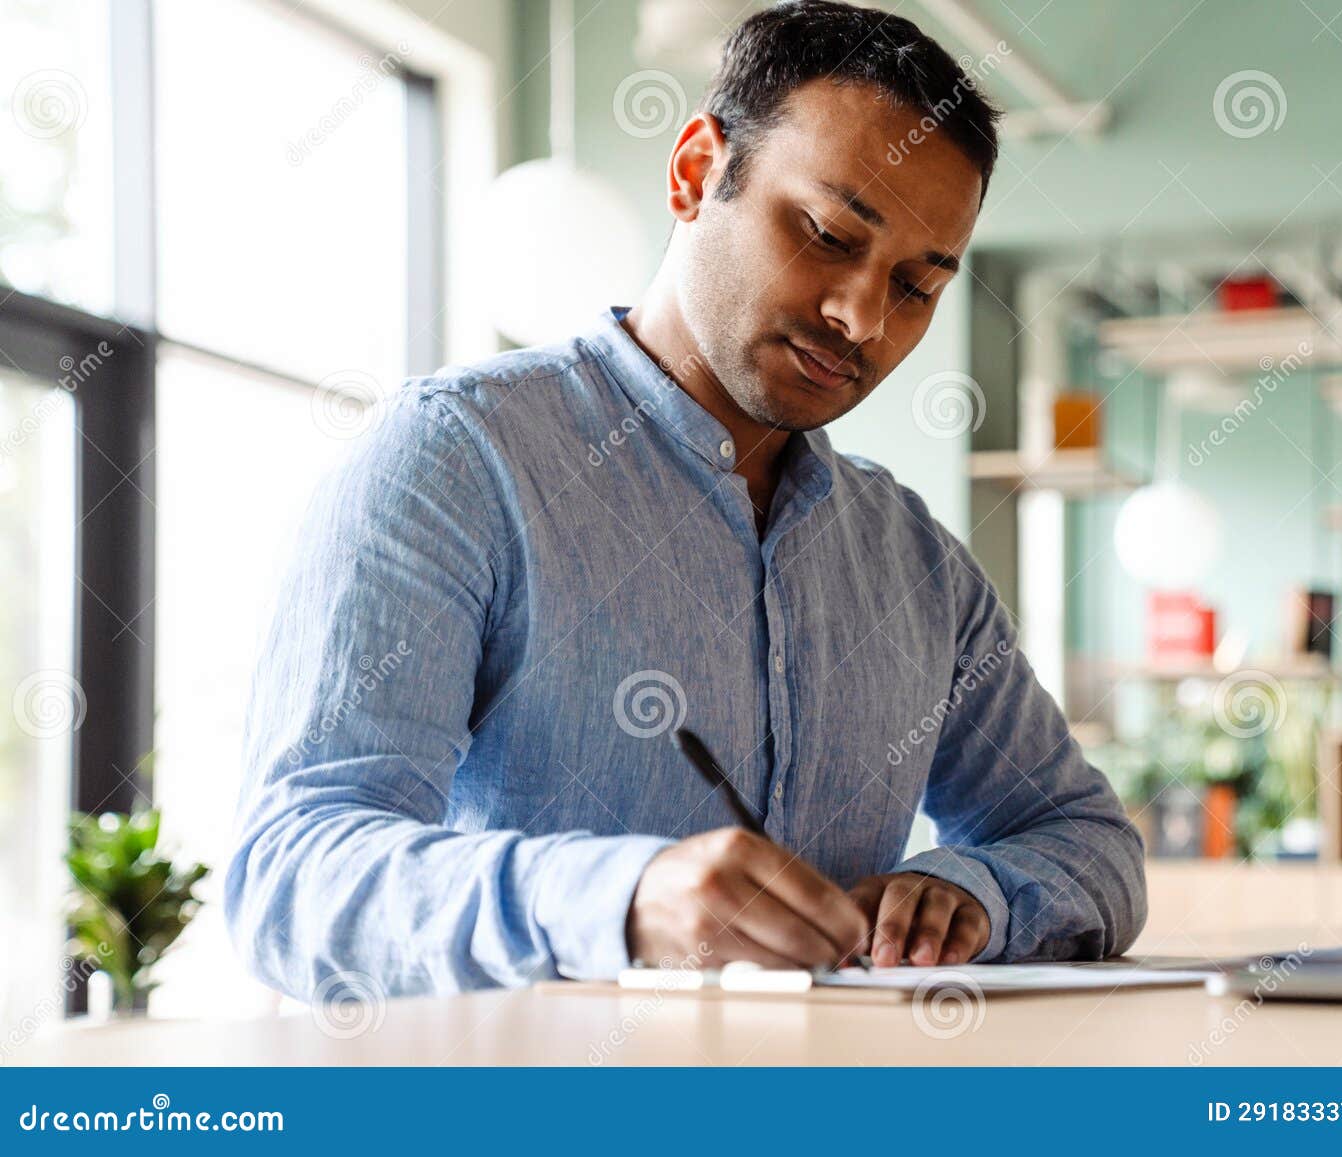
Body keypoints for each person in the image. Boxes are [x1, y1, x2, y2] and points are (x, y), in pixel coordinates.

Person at [226, 0, 1146, 1001]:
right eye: (829, 234)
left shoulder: (915, 564)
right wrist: (618, 899)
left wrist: (971, 889)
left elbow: (1086, 840)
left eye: (918, 286)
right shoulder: (455, 461)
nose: (862, 317)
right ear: (694, 171)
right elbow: (292, 875)